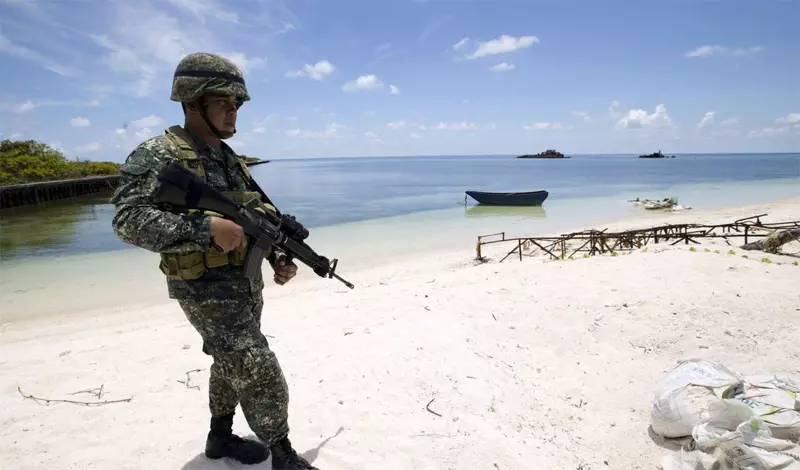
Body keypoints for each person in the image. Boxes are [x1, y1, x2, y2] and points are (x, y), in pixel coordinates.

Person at [110, 52, 319, 470]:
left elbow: (259, 217)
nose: (233, 110)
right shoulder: (158, 153)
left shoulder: (231, 159)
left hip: (244, 286)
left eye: (238, 102)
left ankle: (220, 437)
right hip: (203, 287)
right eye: (223, 100)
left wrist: (280, 256)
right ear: (192, 102)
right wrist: (205, 229)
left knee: (229, 361)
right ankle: (283, 454)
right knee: (257, 366)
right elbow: (126, 220)